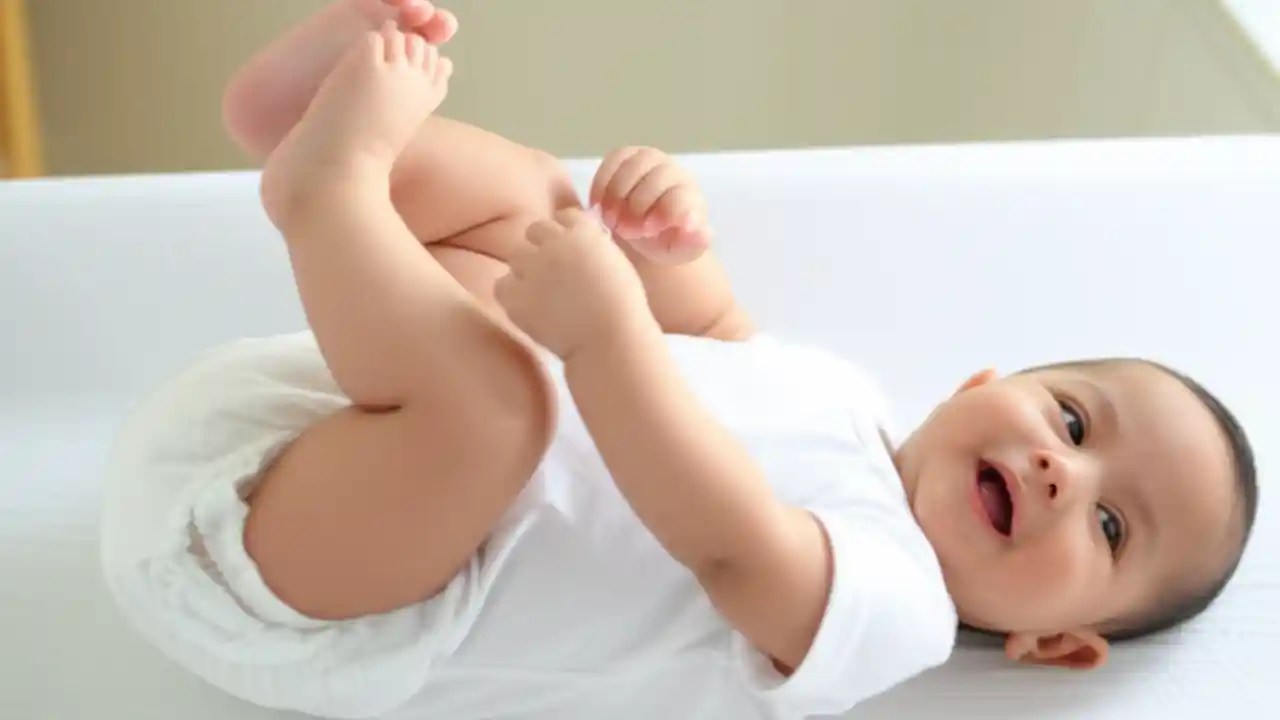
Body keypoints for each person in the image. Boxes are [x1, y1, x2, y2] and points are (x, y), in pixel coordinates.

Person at [100, 2, 1259, 718]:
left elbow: (727, 545)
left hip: (304, 595)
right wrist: (663, 243)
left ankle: (328, 190)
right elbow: (711, 340)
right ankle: (305, 126)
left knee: (509, 405)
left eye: (1110, 529)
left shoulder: (893, 613)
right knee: (539, 207)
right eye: (1069, 418)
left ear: (1052, 644)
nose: (1066, 475)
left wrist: (605, 335)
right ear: (977, 388)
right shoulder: (841, 399)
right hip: (319, 435)